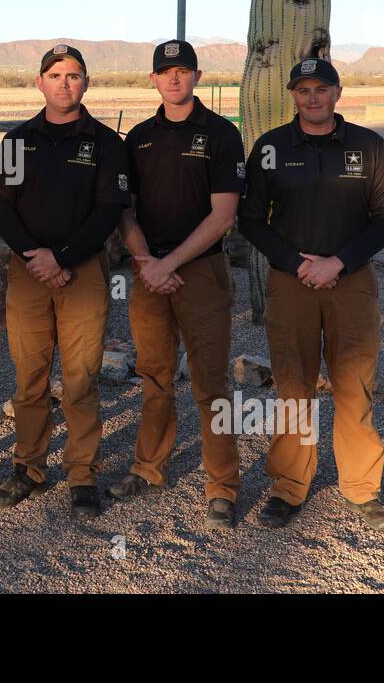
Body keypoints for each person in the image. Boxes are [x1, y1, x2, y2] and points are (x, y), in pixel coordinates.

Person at [238, 57, 384, 531]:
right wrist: (297, 264)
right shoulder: (270, 148)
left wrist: (338, 262)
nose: (312, 98)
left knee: (355, 384)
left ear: (337, 94)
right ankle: (289, 486)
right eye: (303, 90)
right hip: (291, 283)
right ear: (293, 95)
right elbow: (250, 219)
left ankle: (362, 488)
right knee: (293, 384)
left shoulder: (368, 146)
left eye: (321, 89)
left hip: (351, 282)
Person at [0, 44, 130, 520]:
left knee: (80, 379)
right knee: (29, 377)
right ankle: (28, 467)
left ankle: (82, 473)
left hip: (83, 271)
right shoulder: (17, 140)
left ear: (86, 83)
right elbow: (2, 208)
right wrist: (36, 256)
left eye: (73, 75)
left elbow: (109, 210)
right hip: (28, 273)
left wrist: (63, 257)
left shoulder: (108, 144)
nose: (64, 83)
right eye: (55, 75)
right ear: (39, 83)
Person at [113, 39, 245, 529]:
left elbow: (223, 214)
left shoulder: (220, 134)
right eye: (165, 72)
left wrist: (171, 265)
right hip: (149, 272)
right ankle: (148, 469)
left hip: (200, 272)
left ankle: (223, 486)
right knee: (154, 376)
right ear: (153, 80)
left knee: (211, 383)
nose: (174, 79)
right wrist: (146, 259)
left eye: (183, 71)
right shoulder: (139, 138)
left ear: (196, 76)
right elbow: (125, 211)